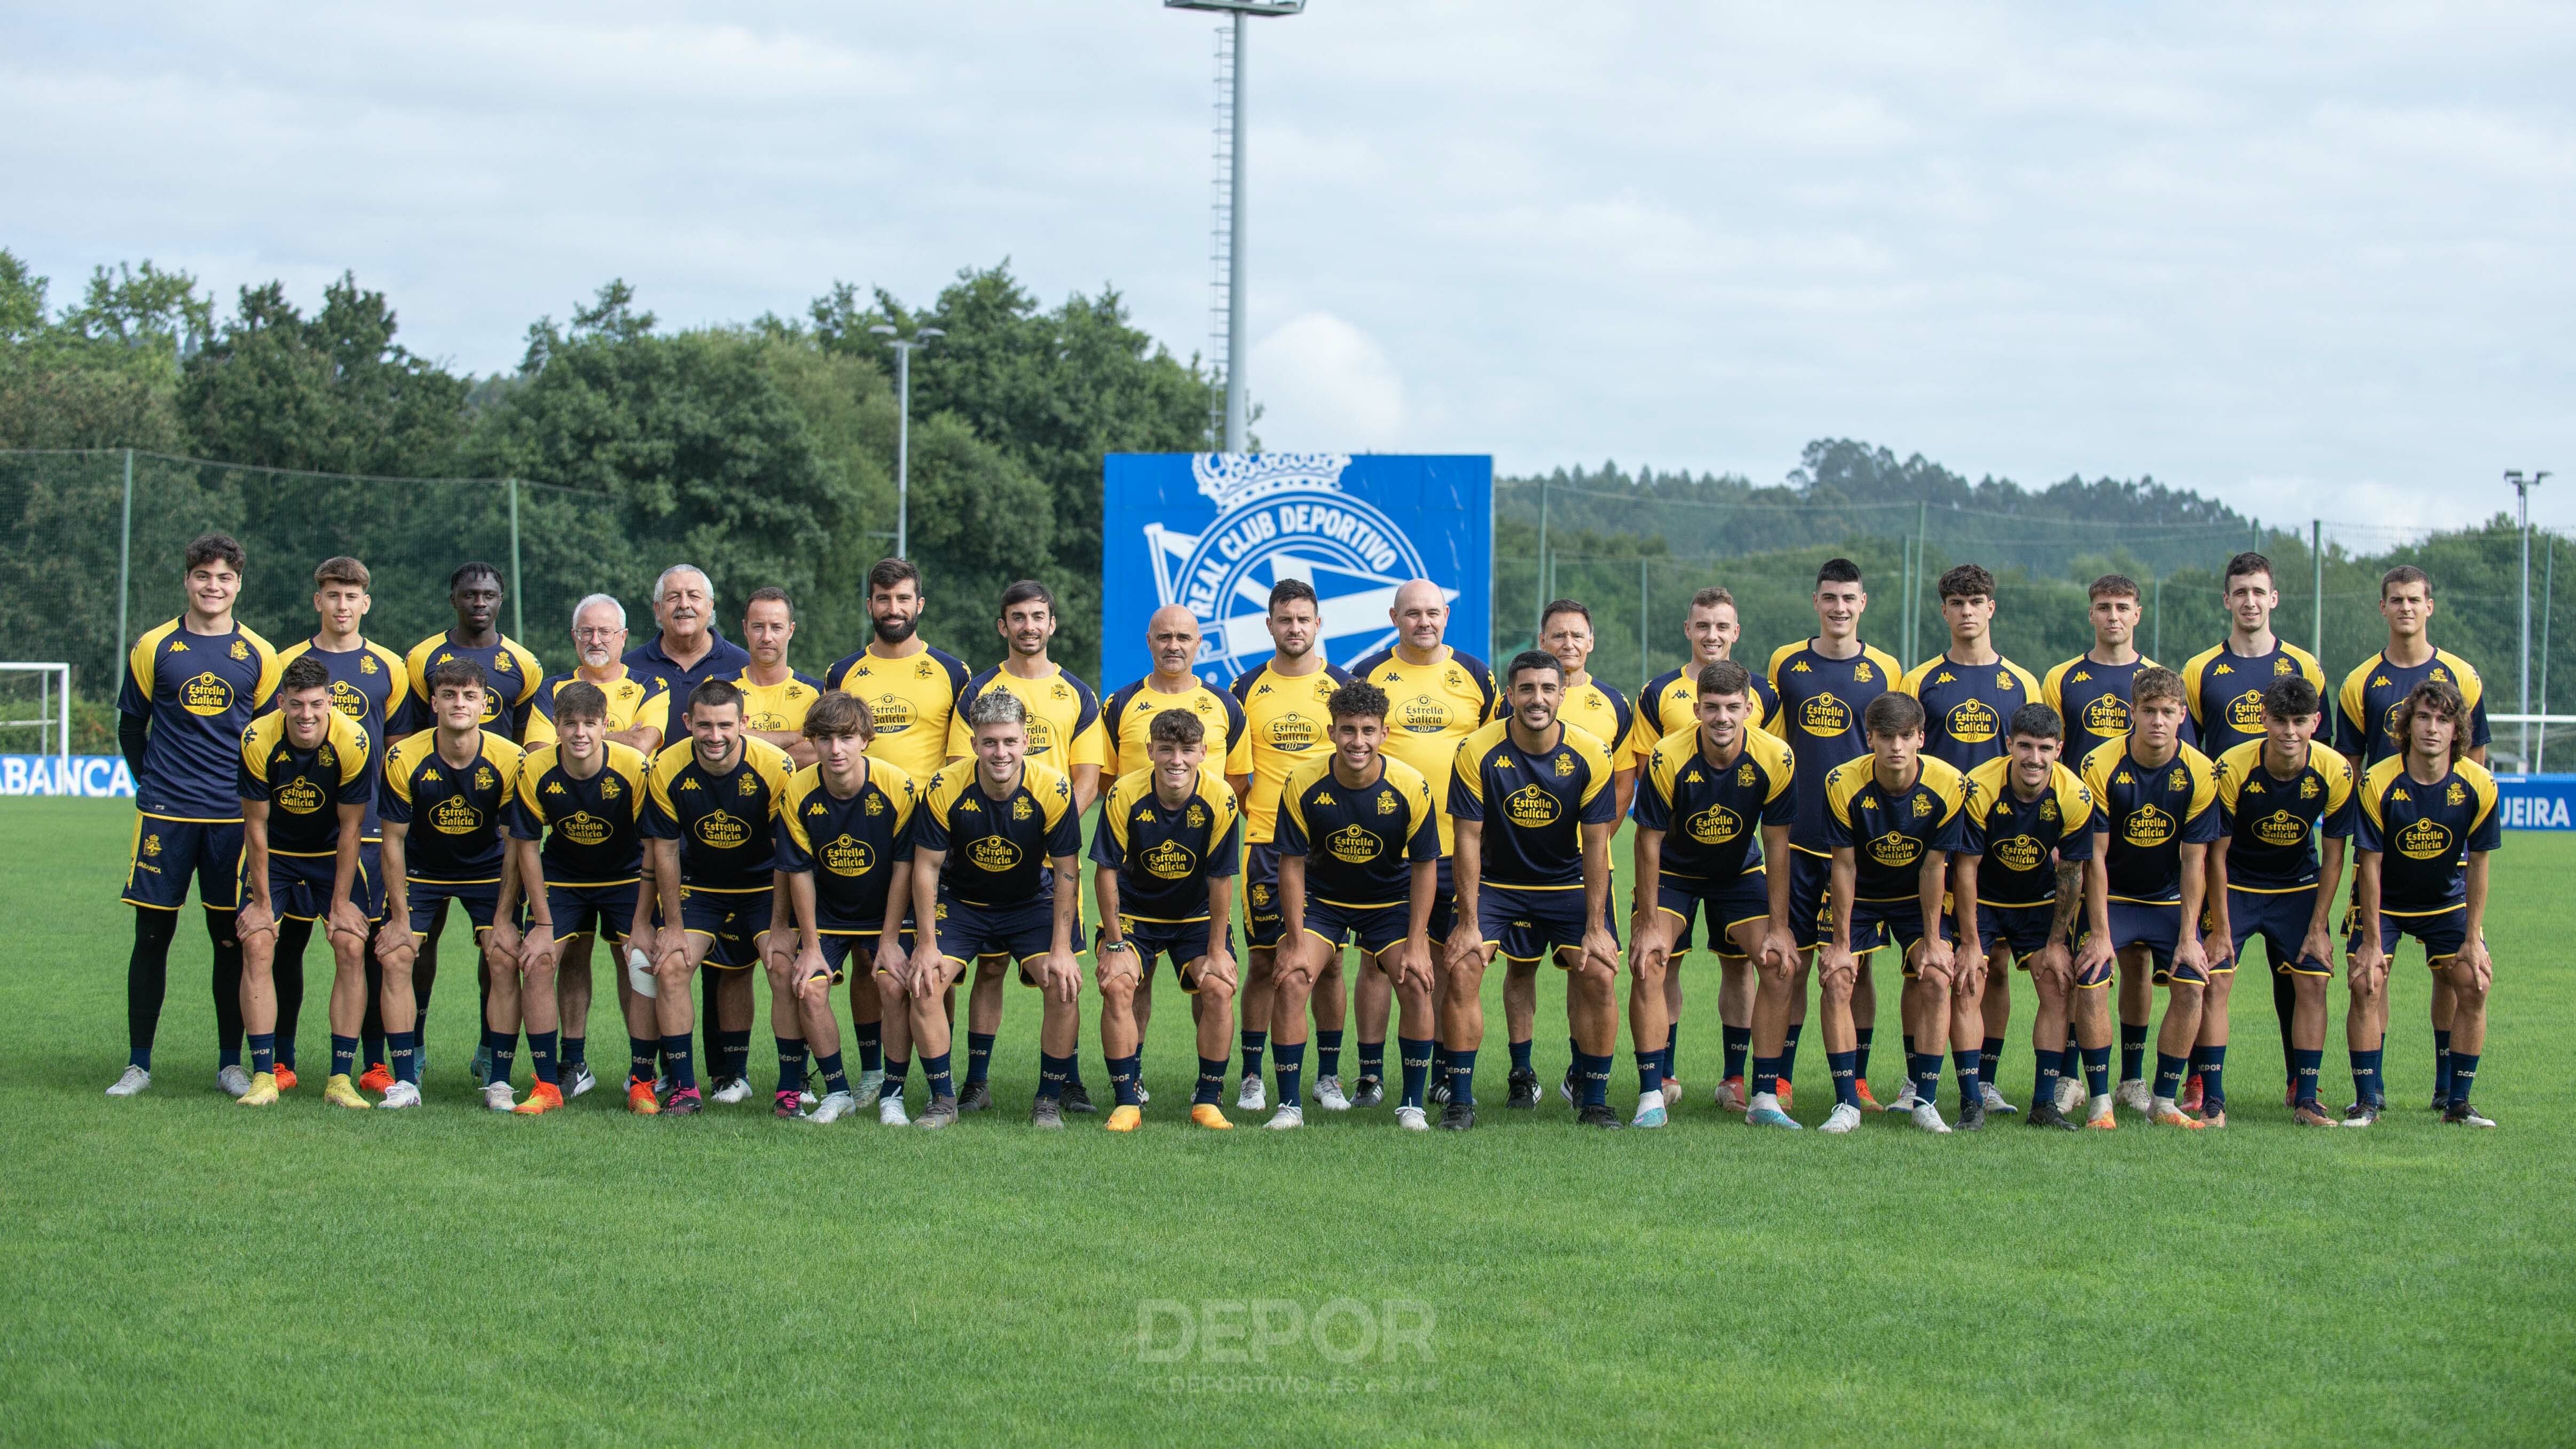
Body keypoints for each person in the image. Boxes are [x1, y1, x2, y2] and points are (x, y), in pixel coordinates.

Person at [109, 534, 281, 1099]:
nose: (213, 586)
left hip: (233, 819)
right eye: (203, 575)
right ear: (188, 580)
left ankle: (230, 1063)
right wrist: (153, 783)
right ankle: (138, 1063)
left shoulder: (259, 653)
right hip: (166, 813)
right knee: (153, 934)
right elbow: (131, 726)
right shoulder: (154, 645)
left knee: (229, 937)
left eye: (224, 577)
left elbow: (265, 738)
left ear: (239, 585)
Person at [1442, 651, 1623, 1130]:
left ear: (1563, 695)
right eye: (1526, 689)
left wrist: (1596, 927)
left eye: (1547, 689)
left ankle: (1595, 1101)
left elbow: (1597, 845)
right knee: (1462, 968)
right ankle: (1460, 1101)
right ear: (1510, 696)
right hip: (1498, 885)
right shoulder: (1476, 750)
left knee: (1601, 973)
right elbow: (1467, 839)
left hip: (1567, 883)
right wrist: (1468, 924)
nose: (1537, 699)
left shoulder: (1591, 753)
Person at [945, 580, 1108, 1111]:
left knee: (1063, 969)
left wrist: (1048, 828)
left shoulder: (1076, 693)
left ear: (1052, 623)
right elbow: (956, 767)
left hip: (1049, 857)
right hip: (985, 854)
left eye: (1039, 616)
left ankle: (1067, 1082)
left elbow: (1088, 775)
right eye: (1018, 617)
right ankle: (976, 1081)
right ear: (1003, 625)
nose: (1029, 626)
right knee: (988, 969)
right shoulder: (978, 690)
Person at [2335, 564, 2492, 1113]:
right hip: (2382, 845)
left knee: (2457, 975)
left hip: (2442, 863)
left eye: (2414, 599)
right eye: (2395, 599)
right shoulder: (2361, 682)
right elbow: (2348, 767)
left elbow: (2474, 760)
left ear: (2431, 606)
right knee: (2370, 976)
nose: (2405, 607)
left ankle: (2452, 1091)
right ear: (2383, 607)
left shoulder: (2462, 676)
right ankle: (2369, 1094)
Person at [1621, 585, 1777, 1114]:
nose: (1712, 634)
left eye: (1722, 626)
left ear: (1736, 632)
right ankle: (1661, 1077)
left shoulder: (1765, 697)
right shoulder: (1658, 692)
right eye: (1703, 625)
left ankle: (1739, 1079)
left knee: (1745, 965)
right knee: (1661, 962)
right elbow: (1649, 777)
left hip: (1738, 860)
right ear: (1689, 629)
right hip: (1674, 864)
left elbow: (1761, 778)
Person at [1895, 563, 2041, 1116]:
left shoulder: (2023, 682)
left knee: (1994, 964)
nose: (1967, 611)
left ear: (1991, 608)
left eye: (1976, 601)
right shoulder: (1920, 680)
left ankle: (1985, 1079)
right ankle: (1917, 1078)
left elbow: (2040, 762)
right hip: (1934, 844)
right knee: (1926, 964)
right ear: (1944, 611)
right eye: (1956, 602)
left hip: (2000, 846)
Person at [902, 690, 1086, 1129]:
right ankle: (943, 1100)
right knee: (925, 982)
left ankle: (1046, 1100)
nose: (1000, 752)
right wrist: (925, 945)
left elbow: (1066, 872)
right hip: (963, 903)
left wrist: (1062, 948)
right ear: (974, 745)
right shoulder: (945, 786)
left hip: (1029, 903)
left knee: (1063, 983)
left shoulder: (1054, 788)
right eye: (989, 743)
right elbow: (926, 867)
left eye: (1009, 741)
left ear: (1026, 741)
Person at [2179, 551, 2322, 1112]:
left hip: (2291, 849)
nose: (2250, 601)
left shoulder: (2305, 668)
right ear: (2227, 599)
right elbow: (2190, 755)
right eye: (2240, 591)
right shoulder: (2200, 670)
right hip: (2222, 846)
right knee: (2210, 967)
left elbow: (2324, 750)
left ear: (2274, 598)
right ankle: (2198, 1080)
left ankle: (2298, 1081)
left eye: (2259, 591)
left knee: (2295, 972)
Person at [1270, 681, 1444, 1129]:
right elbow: (1290, 865)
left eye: (1368, 730)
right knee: (1291, 979)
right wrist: (1292, 941)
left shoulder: (1409, 785)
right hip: (1324, 902)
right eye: (1348, 730)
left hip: (1388, 902)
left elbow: (1426, 867)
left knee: (1417, 980)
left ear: (1384, 733)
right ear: (1332, 732)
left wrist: (1420, 942)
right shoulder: (1303, 781)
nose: (1358, 741)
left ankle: (1412, 1105)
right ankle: (1289, 1107)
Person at [1351, 579, 1498, 1107]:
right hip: (1386, 844)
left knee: (1443, 956)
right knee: (1374, 959)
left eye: (1433, 612)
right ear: (1395, 616)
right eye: (1413, 613)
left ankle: (1440, 1069)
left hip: (1459, 842)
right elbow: (1353, 750)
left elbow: (1495, 753)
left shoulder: (1477, 676)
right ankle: (1370, 1075)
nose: (1424, 622)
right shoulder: (1369, 672)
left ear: (1446, 615)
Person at [397, 562, 543, 1088]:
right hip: (429, 822)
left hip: (493, 827)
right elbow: (408, 735)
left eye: (489, 594)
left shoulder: (523, 663)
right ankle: (411, 1046)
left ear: (501, 598)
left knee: (498, 944)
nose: (479, 601)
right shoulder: (422, 657)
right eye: (469, 593)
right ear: (453, 597)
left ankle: (490, 1045)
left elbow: (529, 742)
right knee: (418, 943)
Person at [1766, 558, 1904, 1112]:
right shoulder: (1787, 663)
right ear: (1816, 601)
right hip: (1799, 837)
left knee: (1857, 964)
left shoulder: (1886, 668)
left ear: (1863, 602)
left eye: (1849, 597)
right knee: (1791, 963)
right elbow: (1774, 744)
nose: (1839, 607)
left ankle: (1860, 1077)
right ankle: (1779, 1077)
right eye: (1830, 597)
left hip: (1859, 843)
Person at [1100, 605, 1251, 1100]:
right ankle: (1132, 1082)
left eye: (1183, 637)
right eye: (1164, 636)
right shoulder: (1120, 703)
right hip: (1137, 878)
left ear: (1199, 642)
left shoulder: (1225, 705)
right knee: (1130, 984)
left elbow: (1233, 785)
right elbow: (1107, 783)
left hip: (1195, 887)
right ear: (1149, 640)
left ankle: (1208, 1091)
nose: (1173, 645)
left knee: (1212, 983)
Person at [273, 556, 406, 1092]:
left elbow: (397, 751)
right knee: (288, 945)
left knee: (363, 943)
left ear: (366, 603)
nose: (342, 605)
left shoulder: (390, 667)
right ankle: (281, 1060)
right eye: (332, 595)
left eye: (352, 596)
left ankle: (372, 1064)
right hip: (296, 827)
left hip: (367, 826)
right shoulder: (287, 663)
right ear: (318, 601)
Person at [1817, 693, 1974, 1133]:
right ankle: (1846, 1102)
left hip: (1915, 894)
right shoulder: (1841, 782)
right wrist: (1843, 946)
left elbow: (1933, 866)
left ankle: (1924, 1099)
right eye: (1886, 737)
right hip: (1861, 892)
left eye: (1906, 736)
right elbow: (1843, 865)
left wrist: (1932, 943)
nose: (1896, 748)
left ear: (1922, 737)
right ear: (1870, 738)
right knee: (1837, 978)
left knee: (1938, 977)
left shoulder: (1949, 784)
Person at [636, 679, 795, 1114]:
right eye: (704, 725)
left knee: (782, 967)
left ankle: (790, 1091)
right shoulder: (666, 767)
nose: (715, 736)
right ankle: (685, 1089)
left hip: (763, 887)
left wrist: (781, 926)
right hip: (701, 887)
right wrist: (670, 926)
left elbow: (789, 854)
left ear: (744, 723)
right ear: (687, 723)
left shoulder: (775, 766)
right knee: (669, 966)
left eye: (725, 725)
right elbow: (665, 851)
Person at [1224, 581, 1354, 1112]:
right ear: (1271, 625)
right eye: (1285, 619)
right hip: (1267, 846)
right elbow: (1235, 775)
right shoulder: (1246, 686)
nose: (1294, 627)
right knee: (1263, 962)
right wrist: (1263, 813)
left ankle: (1328, 1075)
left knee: (1329, 965)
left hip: (1334, 849)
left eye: (1304, 618)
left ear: (1318, 623)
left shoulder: (1344, 685)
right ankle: (1253, 1076)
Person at [2346, 680, 2499, 1128]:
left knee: (2475, 981)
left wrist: (2473, 939)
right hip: (2386, 902)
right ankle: (2366, 1102)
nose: (2433, 728)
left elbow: (2480, 865)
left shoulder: (2479, 784)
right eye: (2424, 718)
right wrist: (2372, 942)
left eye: (2444, 720)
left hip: (2444, 901)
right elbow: (2369, 866)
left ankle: (2458, 1103)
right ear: (2407, 726)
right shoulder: (2378, 780)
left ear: (2458, 731)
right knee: (2366, 982)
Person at [376, 659, 525, 1109]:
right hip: (422, 870)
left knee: (502, 956)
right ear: (435, 704)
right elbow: (392, 842)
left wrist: (502, 919)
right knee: (399, 954)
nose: (459, 703)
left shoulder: (509, 757)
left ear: (484, 703)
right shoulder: (404, 757)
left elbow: (515, 844)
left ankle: (498, 1079)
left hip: (488, 870)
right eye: (449, 695)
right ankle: (405, 1079)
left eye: (469, 695)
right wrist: (400, 920)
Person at [2206, 677, 2353, 1128]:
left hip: (2298, 887)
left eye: (2300, 722)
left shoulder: (2335, 771)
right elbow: (2216, 855)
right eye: (2281, 721)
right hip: (2238, 884)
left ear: (2316, 723)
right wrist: (2220, 929)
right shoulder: (2232, 767)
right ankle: (2213, 1101)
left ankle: (2307, 1098)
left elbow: (2334, 858)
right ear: (2264, 719)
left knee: (2313, 980)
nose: (2290, 732)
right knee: (2215, 980)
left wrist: (2318, 927)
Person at [2078, 666, 2221, 1129]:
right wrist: (2100, 934)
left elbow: (2194, 862)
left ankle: (2163, 1101)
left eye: (2167, 712)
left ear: (2182, 715)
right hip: (2112, 894)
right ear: (2132, 713)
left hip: (2165, 899)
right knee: (2093, 977)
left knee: (2193, 980)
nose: (2158, 721)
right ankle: (2101, 1101)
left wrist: (2188, 937)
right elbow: (2094, 859)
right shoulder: (2100, 764)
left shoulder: (2201, 771)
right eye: (2148, 711)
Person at [231, 653, 375, 1108]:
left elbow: (352, 827)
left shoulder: (354, 740)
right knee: (257, 942)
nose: (307, 715)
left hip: (332, 854)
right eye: (297, 704)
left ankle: (339, 1079)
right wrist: (258, 902)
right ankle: (263, 1075)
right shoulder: (257, 738)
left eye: (316, 704)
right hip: (274, 855)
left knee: (351, 944)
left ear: (330, 701)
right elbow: (255, 825)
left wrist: (340, 904)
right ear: (282, 703)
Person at [1090, 708, 1243, 1131]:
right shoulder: (1124, 794)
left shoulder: (1220, 798)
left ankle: (1208, 1100)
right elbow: (1106, 870)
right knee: (1119, 985)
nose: (1177, 760)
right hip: (1135, 914)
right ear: (1151, 751)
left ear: (1204, 753)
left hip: (1194, 917)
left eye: (1187, 750)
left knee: (1218, 987)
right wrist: (1116, 946)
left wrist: (1216, 950)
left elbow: (1220, 876)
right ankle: (1126, 1101)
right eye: (1167, 749)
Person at [502, 681, 651, 1113]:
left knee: (639, 961)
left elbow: (656, 845)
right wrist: (543, 923)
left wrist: (642, 921)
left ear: (606, 726)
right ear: (556, 727)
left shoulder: (634, 766)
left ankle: (642, 1078)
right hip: (564, 876)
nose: (580, 733)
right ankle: (549, 1083)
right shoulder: (534, 769)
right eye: (570, 724)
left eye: (590, 723)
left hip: (625, 876)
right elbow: (527, 846)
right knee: (539, 959)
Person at [1512, 600, 1635, 1109]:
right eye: (1557, 636)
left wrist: (1592, 840)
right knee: (1519, 969)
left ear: (1591, 642)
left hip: (1585, 866)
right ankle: (1521, 1072)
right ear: (1543, 641)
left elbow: (1624, 783)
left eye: (1577, 636)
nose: (1567, 644)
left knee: (1585, 966)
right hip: (1520, 864)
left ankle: (1580, 1070)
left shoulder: (1614, 703)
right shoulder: (1516, 699)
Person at [774, 691, 917, 1124]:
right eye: (825, 739)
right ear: (812, 743)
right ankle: (838, 1091)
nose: (836, 749)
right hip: (830, 916)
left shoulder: (898, 786)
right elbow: (798, 872)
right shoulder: (798, 790)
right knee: (810, 986)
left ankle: (893, 1092)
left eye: (847, 738)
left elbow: (905, 869)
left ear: (866, 740)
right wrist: (811, 947)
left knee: (893, 985)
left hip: (887, 913)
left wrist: (889, 941)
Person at [1953, 704, 2099, 1131]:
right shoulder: (1979, 787)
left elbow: (2073, 872)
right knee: (1968, 984)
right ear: (2009, 746)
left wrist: (2056, 943)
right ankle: (1971, 1102)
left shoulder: (2075, 795)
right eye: (2026, 747)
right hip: (1984, 899)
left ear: (2059, 749)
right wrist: (1970, 942)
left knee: (2057, 984)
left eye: (2044, 749)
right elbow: (1965, 870)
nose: (2034, 758)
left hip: (2038, 900)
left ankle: (2042, 1104)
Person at [824, 557, 972, 782]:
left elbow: (962, 760)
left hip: (927, 810)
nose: (894, 609)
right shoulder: (840, 673)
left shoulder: (955, 672)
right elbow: (828, 750)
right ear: (869, 605)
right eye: (884, 599)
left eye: (903, 598)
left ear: (920, 604)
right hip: (862, 809)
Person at [522, 593, 671, 756]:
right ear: (575, 637)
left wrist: (568, 741)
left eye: (605, 632)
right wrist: (622, 736)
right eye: (587, 632)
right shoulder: (551, 689)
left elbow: (641, 745)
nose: (595, 641)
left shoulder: (651, 687)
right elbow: (539, 754)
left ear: (623, 637)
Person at [2042, 574, 2164, 767]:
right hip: (2079, 796)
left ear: (2137, 615)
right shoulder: (2060, 677)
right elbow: (2045, 752)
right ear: (2091, 614)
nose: (2113, 617)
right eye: (2104, 608)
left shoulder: (2159, 679)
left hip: (2141, 798)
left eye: (2122, 608)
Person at [625, 563, 750, 702]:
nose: (684, 604)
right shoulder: (630, 669)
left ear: (710, 606)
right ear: (658, 609)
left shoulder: (742, 666)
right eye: (674, 597)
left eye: (694, 596)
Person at [734, 587, 826, 767]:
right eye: (758, 627)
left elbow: (820, 750)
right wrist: (795, 737)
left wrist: (744, 740)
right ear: (745, 629)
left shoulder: (816, 693)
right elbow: (717, 740)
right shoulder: (721, 686)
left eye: (776, 627)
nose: (767, 637)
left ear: (791, 630)